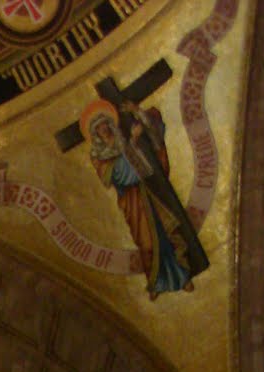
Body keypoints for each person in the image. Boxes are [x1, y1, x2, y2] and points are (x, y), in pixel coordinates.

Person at [82, 97, 198, 299]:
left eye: (106, 125)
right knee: (147, 243)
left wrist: (137, 113)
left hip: (151, 193)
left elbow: (151, 146)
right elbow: (120, 174)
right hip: (133, 203)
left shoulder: (123, 137)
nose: (105, 130)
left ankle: (182, 276)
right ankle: (156, 282)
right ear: (95, 135)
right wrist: (133, 143)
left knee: (167, 233)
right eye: (100, 129)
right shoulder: (99, 156)